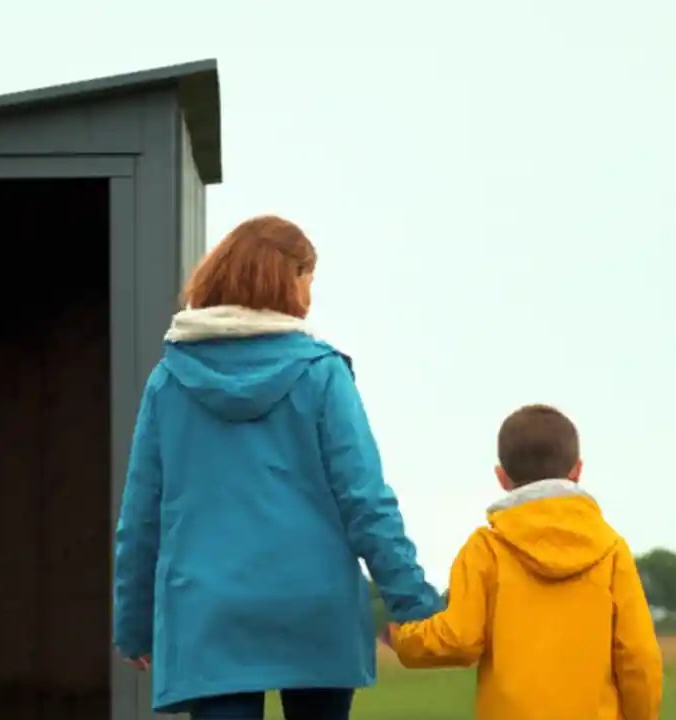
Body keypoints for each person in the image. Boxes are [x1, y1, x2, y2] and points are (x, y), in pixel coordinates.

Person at [113, 215, 441, 719]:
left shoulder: (170, 381)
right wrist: (413, 603)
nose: (311, 294)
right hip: (314, 609)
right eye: (309, 277)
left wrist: (134, 622)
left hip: (210, 615)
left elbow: (141, 516)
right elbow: (366, 501)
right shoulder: (322, 373)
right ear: (287, 279)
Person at [384, 404, 663, 720]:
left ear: (501, 477)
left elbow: (459, 639)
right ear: (577, 470)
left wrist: (403, 638)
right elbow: (639, 656)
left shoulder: (485, 548)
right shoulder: (612, 550)